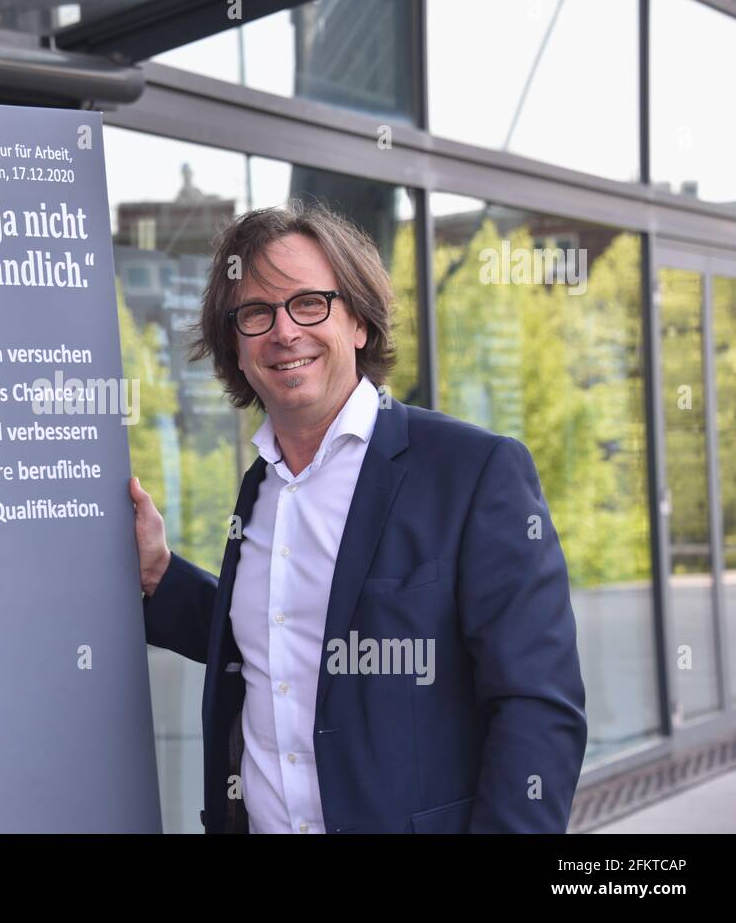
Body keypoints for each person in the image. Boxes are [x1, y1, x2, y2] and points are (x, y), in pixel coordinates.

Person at [131, 200, 587, 833]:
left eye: (309, 303)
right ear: (235, 346)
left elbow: (537, 710)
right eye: (256, 313)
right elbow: (281, 638)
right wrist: (158, 575)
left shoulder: (473, 472)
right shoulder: (262, 486)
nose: (284, 331)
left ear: (359, 324)